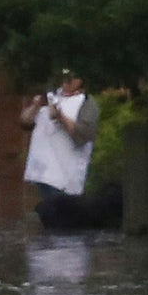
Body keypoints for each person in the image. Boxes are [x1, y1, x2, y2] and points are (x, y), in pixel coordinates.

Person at [20, 73, 99, 201]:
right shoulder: (50, 97)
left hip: (65, 177)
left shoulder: (86, 102)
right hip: (43, 174)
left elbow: (85, 134)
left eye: (73, 77)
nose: (66, 81)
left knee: (64, 214)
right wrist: (35, 107)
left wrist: (60, 117)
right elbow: (24, 123)